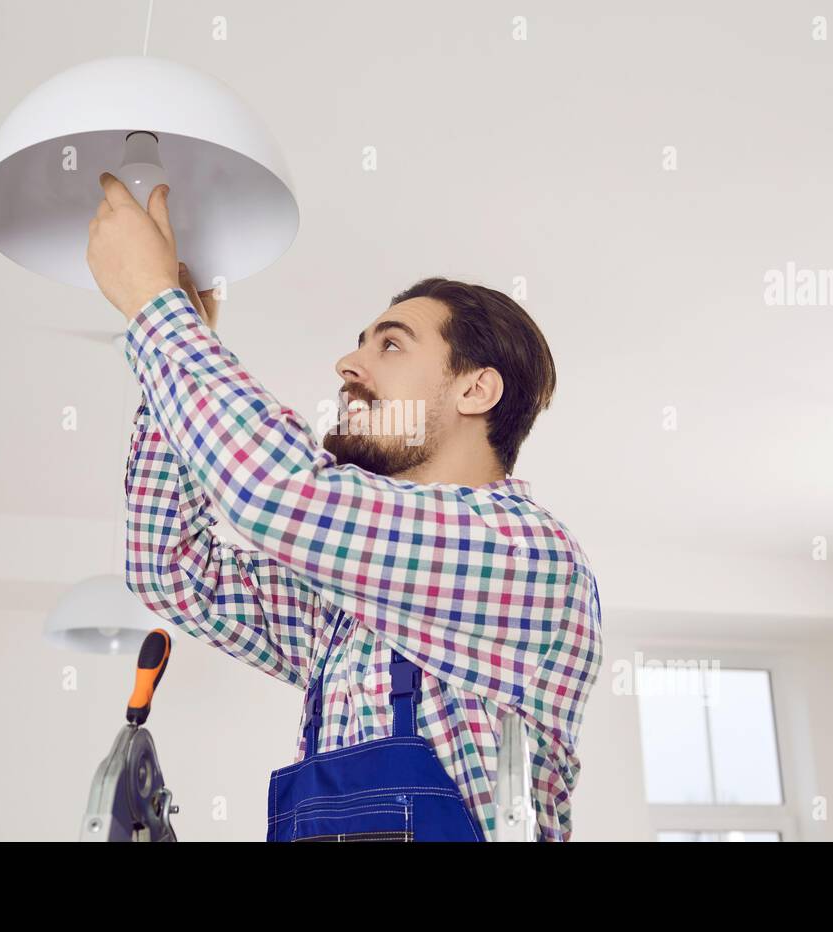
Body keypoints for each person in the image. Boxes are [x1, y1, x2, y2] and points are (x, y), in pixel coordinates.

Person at [86, 173, 602, 841]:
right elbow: (172, 570)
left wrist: (157, 312)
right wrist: (167, 371)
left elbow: (279, 494)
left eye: (389, 344)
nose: (347, 364)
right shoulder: (347, 607)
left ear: (476, 390)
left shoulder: (523, 555)